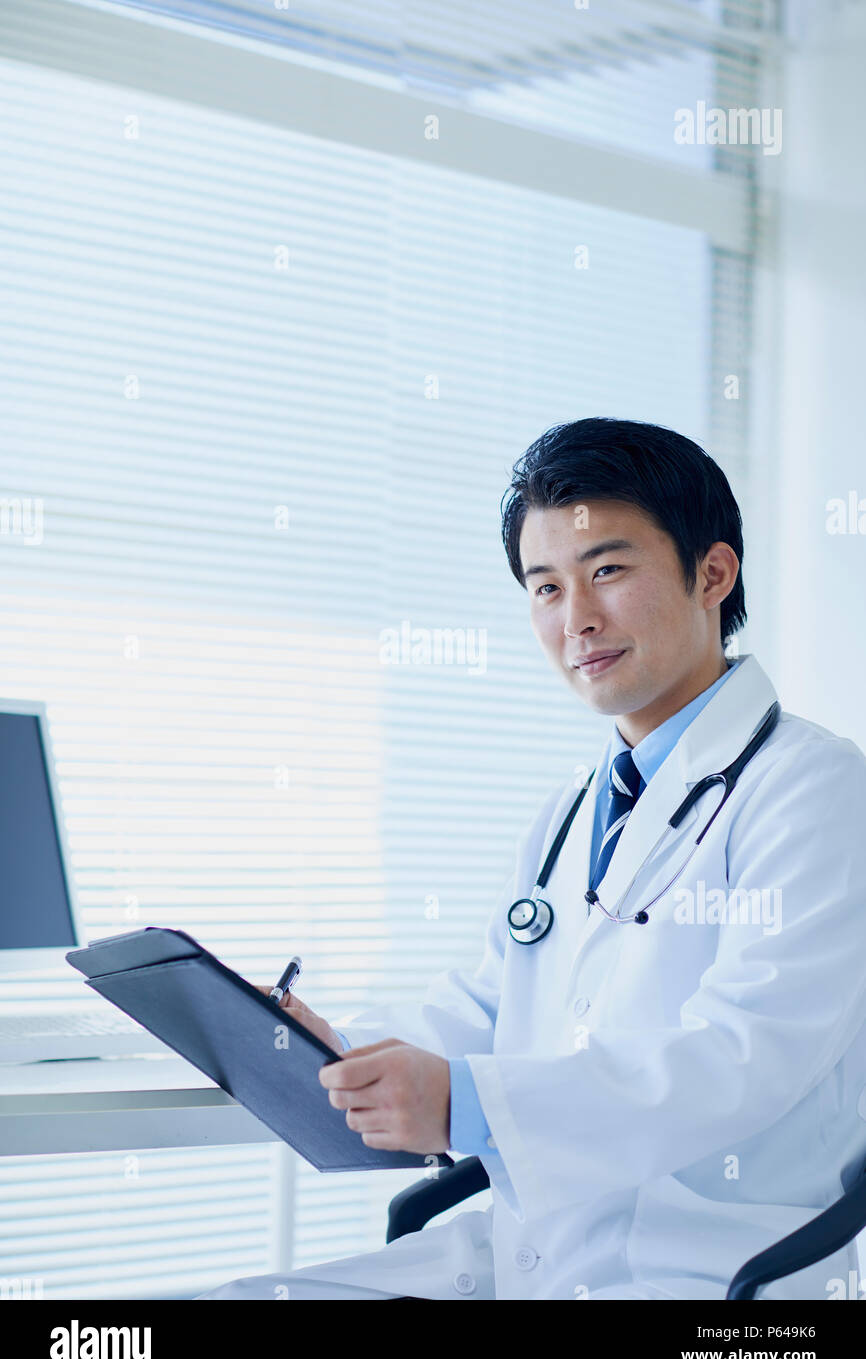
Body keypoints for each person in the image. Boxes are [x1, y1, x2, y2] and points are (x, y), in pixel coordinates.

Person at [198, 417, 866, 1300]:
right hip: (529, 1253)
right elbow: (489, 1004)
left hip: (707, 1278)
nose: (577, 620)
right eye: (545, 588)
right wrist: (334, 1049)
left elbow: (740, 1060)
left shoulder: (816, 791)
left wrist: (466, 1105)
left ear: (713, 572)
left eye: (608, 572)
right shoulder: (575, 810)